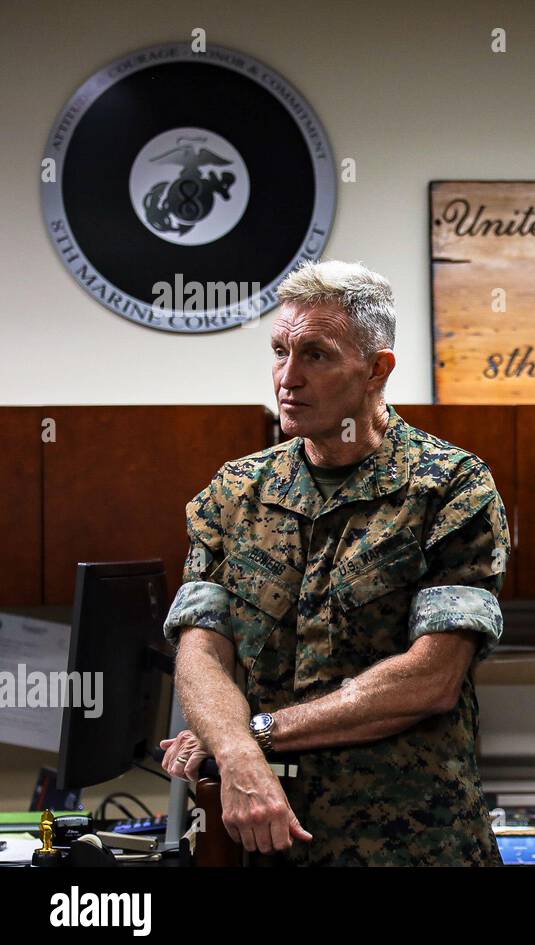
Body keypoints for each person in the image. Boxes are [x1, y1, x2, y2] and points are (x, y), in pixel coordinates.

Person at [159, 260, 510, 865]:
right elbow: (200, 651)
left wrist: (252, 735)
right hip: (269, 840)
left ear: (377, 369)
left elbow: (431, 679)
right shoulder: (236, 491)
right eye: (279, 351)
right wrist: (239, 757)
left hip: (414, 843)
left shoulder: (448, 486)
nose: (286, 378)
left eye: (316, 355)